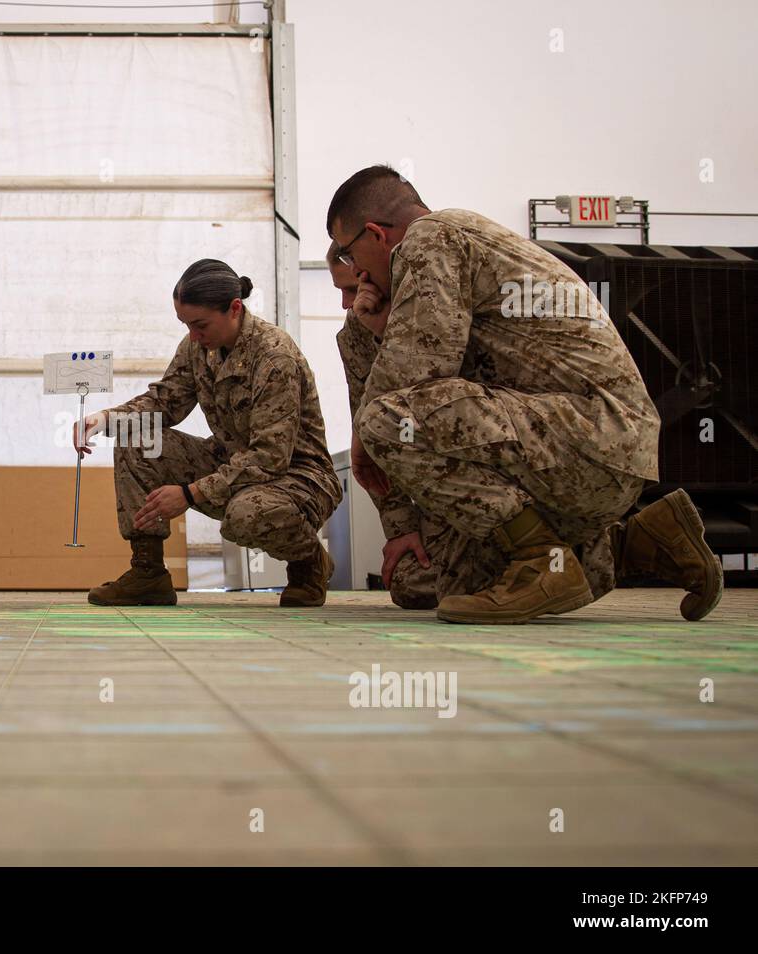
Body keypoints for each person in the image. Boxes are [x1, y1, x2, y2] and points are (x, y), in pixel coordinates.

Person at [328, 164, 722, 624]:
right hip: (558, 449)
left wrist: (363, 433)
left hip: (595, 436)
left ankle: (540, 563)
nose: (355, 279)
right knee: (434, 583)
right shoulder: (409, 286)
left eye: (352, 257)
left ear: (376, 234)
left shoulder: (433, 237)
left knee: (385, 419)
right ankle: (643, 541)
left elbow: (413, 380)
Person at [75, 259, 342, 607]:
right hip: (232, 463)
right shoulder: (198, 345)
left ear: (234, 309)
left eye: (200, 325)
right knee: (135, 436)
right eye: (186, 325)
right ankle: (148, 573)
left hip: (296, 477)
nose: (193, 335)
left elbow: (269, 458)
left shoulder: (274, 357)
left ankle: (309, 564)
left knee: (246, 515)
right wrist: (104, 419)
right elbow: (165, 402)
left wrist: (190, 493)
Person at [330, 240, 441, 609]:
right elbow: (371, 434)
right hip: (429, 491)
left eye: (351, 289)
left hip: (478, 469)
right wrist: (402, 529)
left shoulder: (437, 304)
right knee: (414, 586)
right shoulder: (355, 334)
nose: (347, 303)